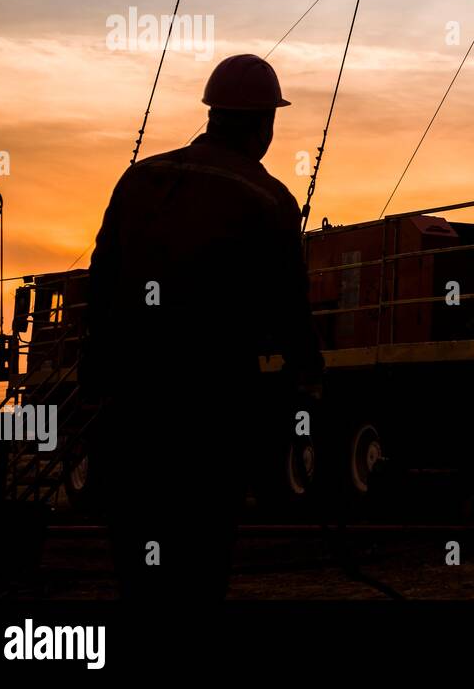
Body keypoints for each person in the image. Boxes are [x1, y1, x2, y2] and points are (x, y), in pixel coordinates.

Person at [84, 53, 322, 601]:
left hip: (133, 399)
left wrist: (95, 369)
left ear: (212, 112)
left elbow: (102, 280)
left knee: (139, 551)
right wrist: (308, 378)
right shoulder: (270, 200)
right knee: (201, 550)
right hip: (211, 406)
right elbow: (290, 307)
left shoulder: (139, 178)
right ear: (265, 124)